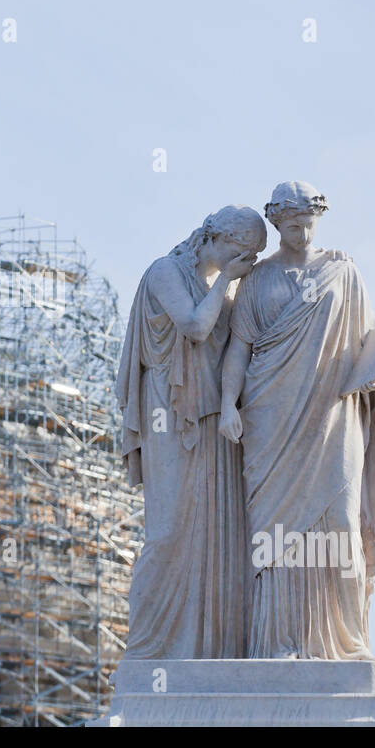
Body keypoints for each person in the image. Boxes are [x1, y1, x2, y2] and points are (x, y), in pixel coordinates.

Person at [220, 181, 375, 660]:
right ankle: (278, 642)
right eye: (291, 226)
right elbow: (238, 350)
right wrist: (227, 405)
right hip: (269, 417)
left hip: (332, 413)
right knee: (277, 532)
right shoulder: (258, 281)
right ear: (277, 226)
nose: (301, 233)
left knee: (340, 521)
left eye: (308, 224)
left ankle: (344, 643)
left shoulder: (343, 272)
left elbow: (369, 341)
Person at [117, 206, 266, 659]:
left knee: (215, 533)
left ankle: (206, 650)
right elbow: (196, 328)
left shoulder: (214, 286)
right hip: (169, 411)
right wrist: (227, 282)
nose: (245, 263)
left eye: (252, 258)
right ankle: (149, 651)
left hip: (212, 423)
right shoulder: (166, 271)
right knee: (168, 530)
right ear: (213, 238)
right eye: (240, 252)